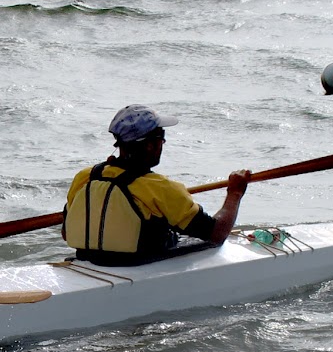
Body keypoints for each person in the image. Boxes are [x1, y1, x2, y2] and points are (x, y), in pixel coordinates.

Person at [63, 104, 249, 265]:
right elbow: (217, 233)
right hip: (135, 266)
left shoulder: (86, 176)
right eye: (161, 138)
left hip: (88, 261)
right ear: (151, 145)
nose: (163, 144)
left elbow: (66, 232)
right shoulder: (161, 188)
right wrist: (235, 192)